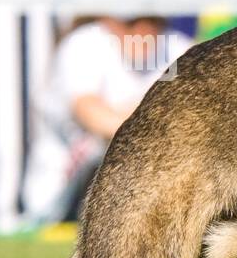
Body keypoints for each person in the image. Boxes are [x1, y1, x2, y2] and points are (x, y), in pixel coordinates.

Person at [22, 16, 191, 225]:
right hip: (63, 189)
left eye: (151, 19)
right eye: (131, 21)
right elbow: (88, 111)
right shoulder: (84, 44)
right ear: (108, 20)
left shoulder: (178, 48)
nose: (142, 31)